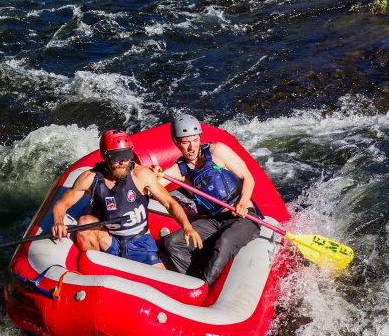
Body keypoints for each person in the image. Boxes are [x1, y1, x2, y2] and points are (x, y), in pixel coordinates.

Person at [50, 129, 202, 267]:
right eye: (116, 158)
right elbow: (61, 204)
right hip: (110, 239)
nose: (122, 163)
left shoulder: (141, 175)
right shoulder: (89, 178)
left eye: (126, 156)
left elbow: (169, 203)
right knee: (84, 223)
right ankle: (97, 271)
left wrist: (187, 227)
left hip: (141, 243)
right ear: (105, 157)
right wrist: (58, 222)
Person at [157, 113, 262, 286]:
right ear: (176, 142)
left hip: (243, 217)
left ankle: (204, 287)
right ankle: (192, 283)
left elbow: (248, 177)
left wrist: (243, 202)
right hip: (214, 220)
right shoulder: (179, 169)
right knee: (173, 242)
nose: (192, 147)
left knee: (225, 241)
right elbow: (152, 184)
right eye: (185, 142)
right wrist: (152, 173)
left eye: (195, 140)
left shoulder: (217, 151)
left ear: (200, 138)